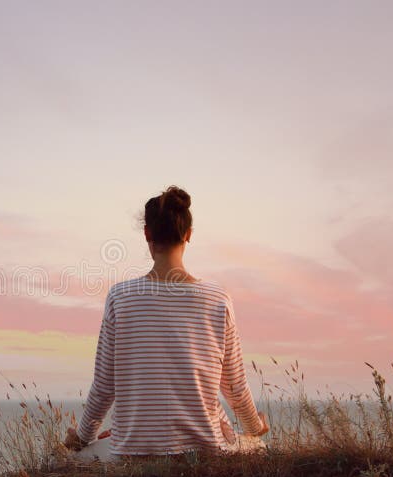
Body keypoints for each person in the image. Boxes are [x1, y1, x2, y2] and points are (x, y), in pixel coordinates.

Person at [64, 186, 269, 460]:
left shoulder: (120, 297)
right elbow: (233, 386)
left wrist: (82, 438)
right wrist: (255, 427)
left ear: (147, 234)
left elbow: (104, 387)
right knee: (259, 448)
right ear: (188, 235)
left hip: (133, 454)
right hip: (204, 452)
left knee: (73, 457)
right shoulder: (218, 299)